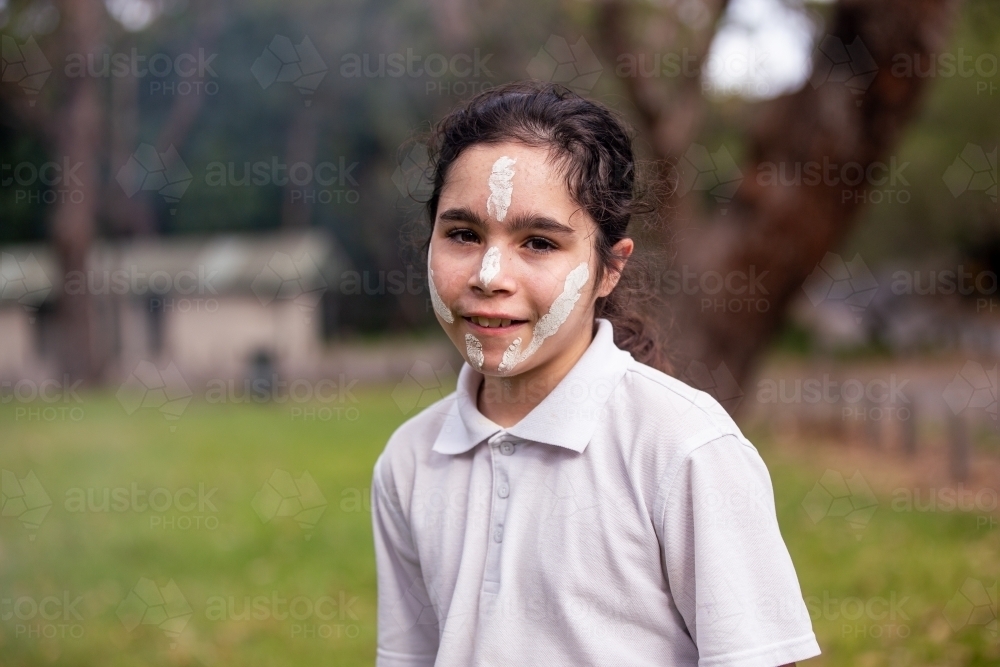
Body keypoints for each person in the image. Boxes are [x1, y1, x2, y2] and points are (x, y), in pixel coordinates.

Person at [371, 80, 821, 666]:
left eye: (537, 242)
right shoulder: (408, 459)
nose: (489, 274)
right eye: (463, 234)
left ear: (610, 268)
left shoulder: (684, 449)